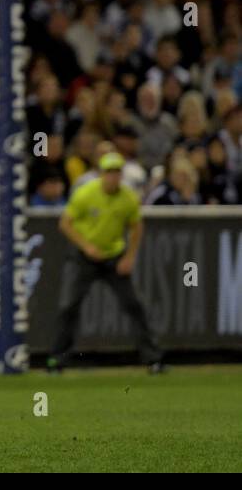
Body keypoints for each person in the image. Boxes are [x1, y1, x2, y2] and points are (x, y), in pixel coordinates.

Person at [46, 153, 164, 374]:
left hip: (113, 256)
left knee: (134, 305)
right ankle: (56, 360)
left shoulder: (128, 197)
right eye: (109, 172)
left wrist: (129, 257)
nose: (113, 176)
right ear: (101, 174)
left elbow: (136, 226)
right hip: (84, 257)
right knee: (68, 306)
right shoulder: (86, 194)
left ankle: (153, 360)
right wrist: (86, 246)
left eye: (117, 172)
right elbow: (65, 223)